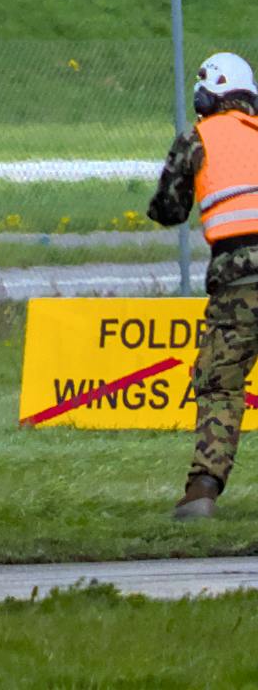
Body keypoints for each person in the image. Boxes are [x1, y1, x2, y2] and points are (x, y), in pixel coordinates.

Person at [150, 47, 258, 521]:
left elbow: (169, 209)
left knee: (220, 385)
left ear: (210, 92)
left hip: (238, 281)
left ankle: (202, 492)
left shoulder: (198, 138)